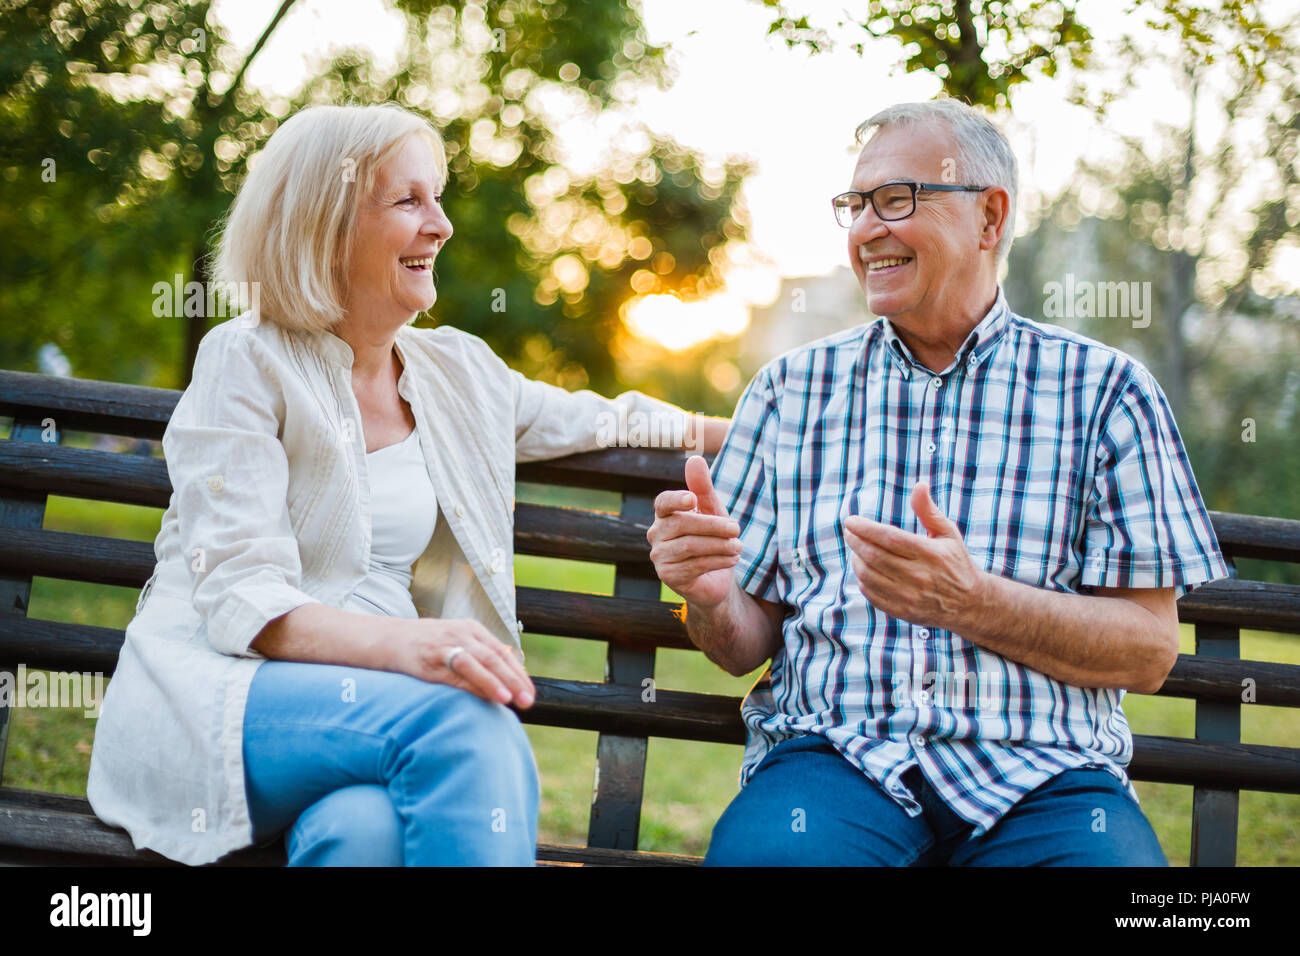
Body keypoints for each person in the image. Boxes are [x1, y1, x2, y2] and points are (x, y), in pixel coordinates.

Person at [87, 102, 727, 867]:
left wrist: (752, 430)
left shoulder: (455, 370)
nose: (443, 225)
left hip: (368, 719)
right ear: (325, 225)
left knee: (364, 836)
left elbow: (605, 419)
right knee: (464, 721)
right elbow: (238, 596)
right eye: (408, 201)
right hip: (228, 696)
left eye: (438, 197)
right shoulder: (246, 361)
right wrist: (412, 647)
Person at [646, 98, 1230, 866]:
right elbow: (738, 645)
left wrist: (972, 602)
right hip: (836, 763)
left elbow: (1147, 649)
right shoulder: (791, 390)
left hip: (1046, 778)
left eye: (895, 200)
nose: (865, 230)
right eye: (854, 207)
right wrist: (714, 596)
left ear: (989, 218)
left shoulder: (1107, 392)